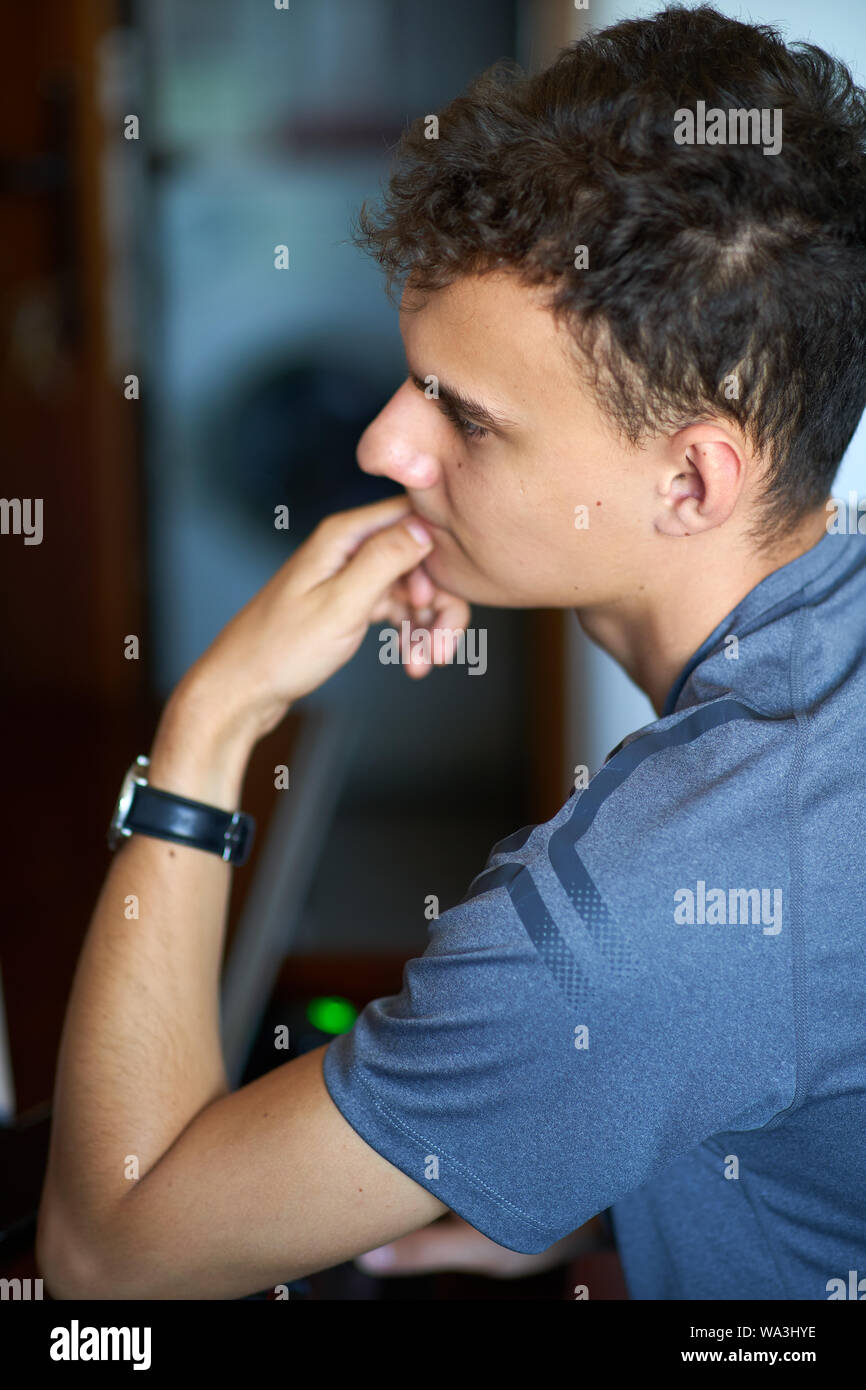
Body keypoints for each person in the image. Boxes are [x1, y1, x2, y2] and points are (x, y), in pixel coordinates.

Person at [37, 4, 866, 1300]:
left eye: (464, 419)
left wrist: (213, 715)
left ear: (693, 480)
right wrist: (631, 1189)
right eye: (407, 376)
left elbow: (108, 1254)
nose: (378, 447)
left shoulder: (616, 929)